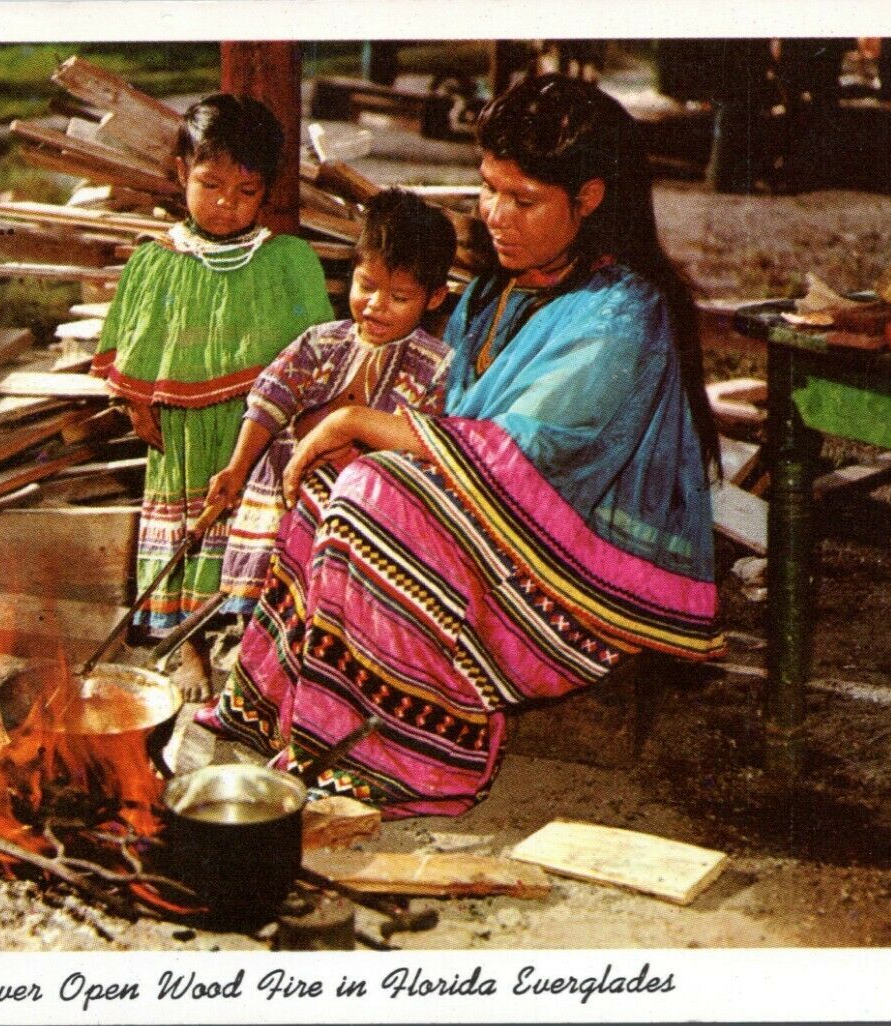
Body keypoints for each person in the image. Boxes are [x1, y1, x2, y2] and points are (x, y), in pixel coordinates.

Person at [204, 75, 727, 819]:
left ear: (590, 198)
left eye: (524, 200)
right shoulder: (493, 291)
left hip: (575, 569)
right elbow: (445, 435)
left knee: (367, 489)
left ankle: (398, 754)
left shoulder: (623, 312)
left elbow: (524, 453)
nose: (496, 216)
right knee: (330, 482)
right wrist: (351, 434)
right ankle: (295, 715)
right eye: (488, 189)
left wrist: (357, 425)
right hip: (496, 532)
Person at [92, 94, 332, 635]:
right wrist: (134, 403)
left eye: (246, 191)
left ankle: (248, 632)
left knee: (256, 531)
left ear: (266, 190)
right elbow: (134, 339)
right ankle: (187, 640)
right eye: (211, 185)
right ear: (182, 174)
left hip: (263, 433)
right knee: (185, 526)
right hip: (183, 435)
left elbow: (316, 352)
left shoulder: (288, 262)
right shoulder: (156, 262)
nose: (227, 203)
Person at [206, 188, 457, 616]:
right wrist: (237, 466)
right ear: (352, 274)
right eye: (367, 286)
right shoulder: (321, 342)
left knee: (318, 601)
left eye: (398, 297)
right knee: (262, 591)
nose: (376, 305)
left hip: (351, 505)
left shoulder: (434, 366)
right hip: (278, 491)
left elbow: (419, 446)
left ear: (433, 298)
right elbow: (270, 400)